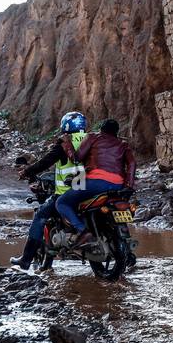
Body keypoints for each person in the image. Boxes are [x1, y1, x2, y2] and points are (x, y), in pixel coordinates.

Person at [10, 111, 87, 272]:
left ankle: (26, 259)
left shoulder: (65, 143)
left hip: (67, 192)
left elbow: (45, 162)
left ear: (65, 126)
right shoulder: (90, 139)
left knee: (40, 216)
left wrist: (27, 172)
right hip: (88, 190)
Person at [56, 118, 136, 248]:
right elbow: (132, 163)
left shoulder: (93, 137)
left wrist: (67, 144)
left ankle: (83, 231)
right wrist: (129, 186)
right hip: (118, 186)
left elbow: (77, 158)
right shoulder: (123, 143)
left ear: (101, 129)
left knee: (62, 202)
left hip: (95, 183)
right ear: (116, 132)